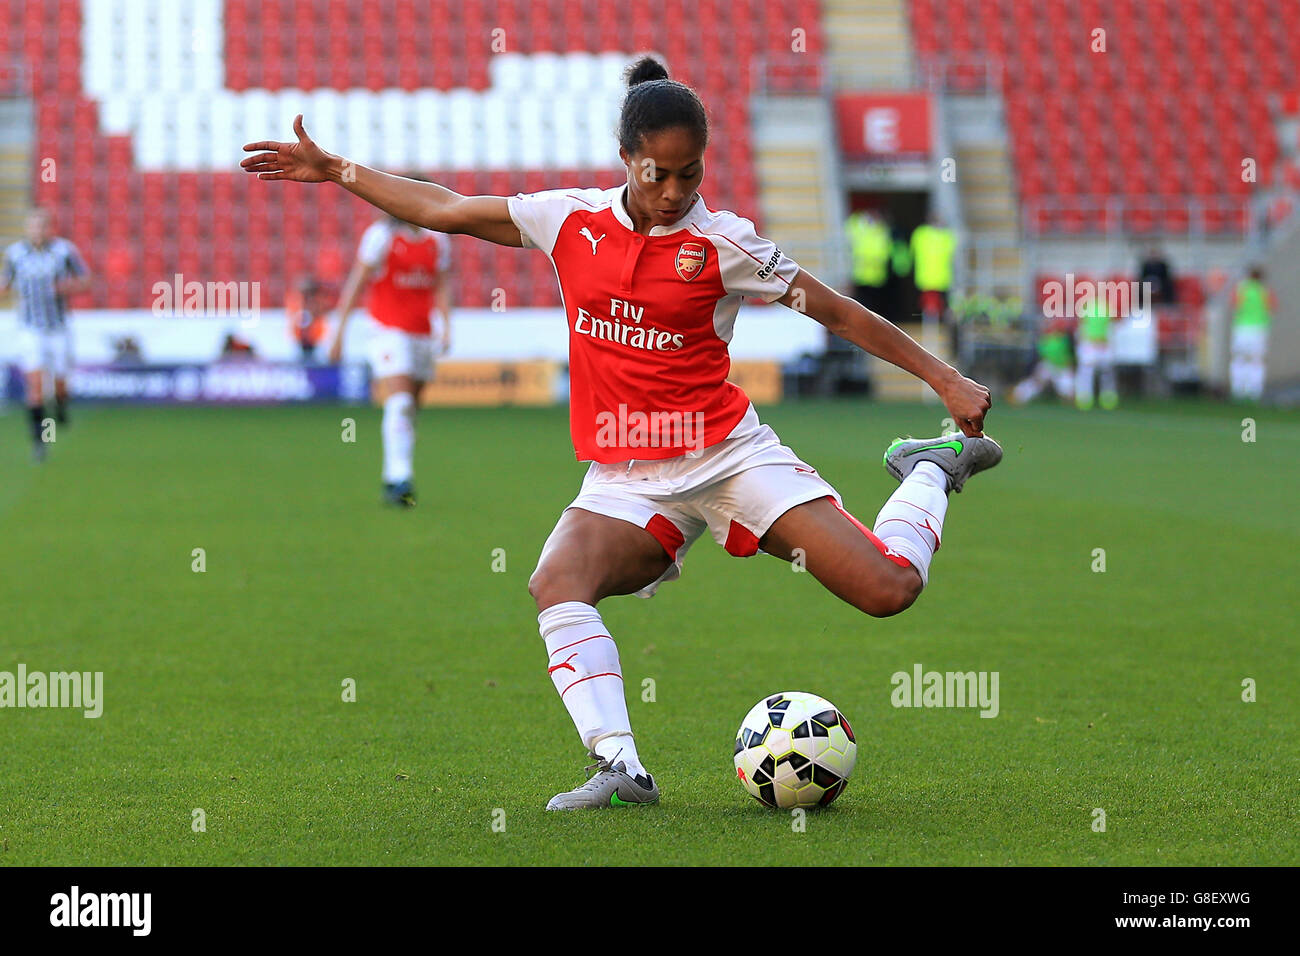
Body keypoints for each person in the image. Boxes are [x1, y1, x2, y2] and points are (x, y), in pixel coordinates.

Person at [242, 56, 1000, 810]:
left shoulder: (726, 244)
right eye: (657, 173)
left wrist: (942, 377)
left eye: (690, 175)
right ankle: (620, 767)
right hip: (628, 478)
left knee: (889, 590)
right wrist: (339, 168)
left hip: (728, 457)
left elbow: (836, 312)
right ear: (625, 159)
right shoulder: (567, 219)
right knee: (557, 582)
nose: (673, 192)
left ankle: (928, 470)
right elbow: (443, 208)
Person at [327, 200, 453, 508]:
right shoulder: (381, 237)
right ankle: (401, 479)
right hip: (387, 330)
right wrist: (338, 331)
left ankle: (393, 478)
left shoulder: (437, 240)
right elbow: (357, 283)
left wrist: (446, 325)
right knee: (400, 401)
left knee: (410, 410)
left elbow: (440, 284)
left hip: (422, 332)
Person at [0, 208, 91, 462]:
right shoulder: (15, 255)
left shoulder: (64, 251)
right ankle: (40, 442)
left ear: (50, 229)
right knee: (36, 385)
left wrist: (67, 287)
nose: (37, 232)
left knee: (60, 383)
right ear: (27, 229)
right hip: (30, 328)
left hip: (58, 328)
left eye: (42, 227)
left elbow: (86, 280)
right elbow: (5, 284)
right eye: (33, 227)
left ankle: (61, 407)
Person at [1229, 266, 1273, 401]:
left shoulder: (1242, 288)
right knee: (1256, 360)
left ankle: (1238, 390)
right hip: (1259, 329)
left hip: (1242, 328)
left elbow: (1234, 304)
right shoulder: (1264, 290)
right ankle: (1254, 391)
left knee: (1239, 359)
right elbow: (1272, 307)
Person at [1010, 318, 1074, 404]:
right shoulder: (1045, 340)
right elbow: (1043, 357)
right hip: (1049, 365)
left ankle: (1068, 400)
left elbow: (1069, 356)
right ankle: (1018, 394)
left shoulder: (1065, 340)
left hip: (1062, 367)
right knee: (1037, 382)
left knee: (1068, 390)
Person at [1074, 294, 1118, 410]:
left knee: (1102, 372)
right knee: (1092, 372)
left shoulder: (1103, 307)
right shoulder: (1097, 307)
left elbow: (1110, 325)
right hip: (1094, 343)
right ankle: (1086, 398)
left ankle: (1104, 398)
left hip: (1099, 343)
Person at [909, 214, 955, 322]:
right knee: (929, 307)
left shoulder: (921, 234)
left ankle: (936, 328)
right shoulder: (944, 235)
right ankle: (930, 329)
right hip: (932, 277)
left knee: (937, 307)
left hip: (936, 278)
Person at [286, 276, 331, 362]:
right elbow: (294, 322)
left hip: (316, 342)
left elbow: (321, 319)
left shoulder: (318, 304)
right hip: (299, 343)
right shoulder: (296, 304)